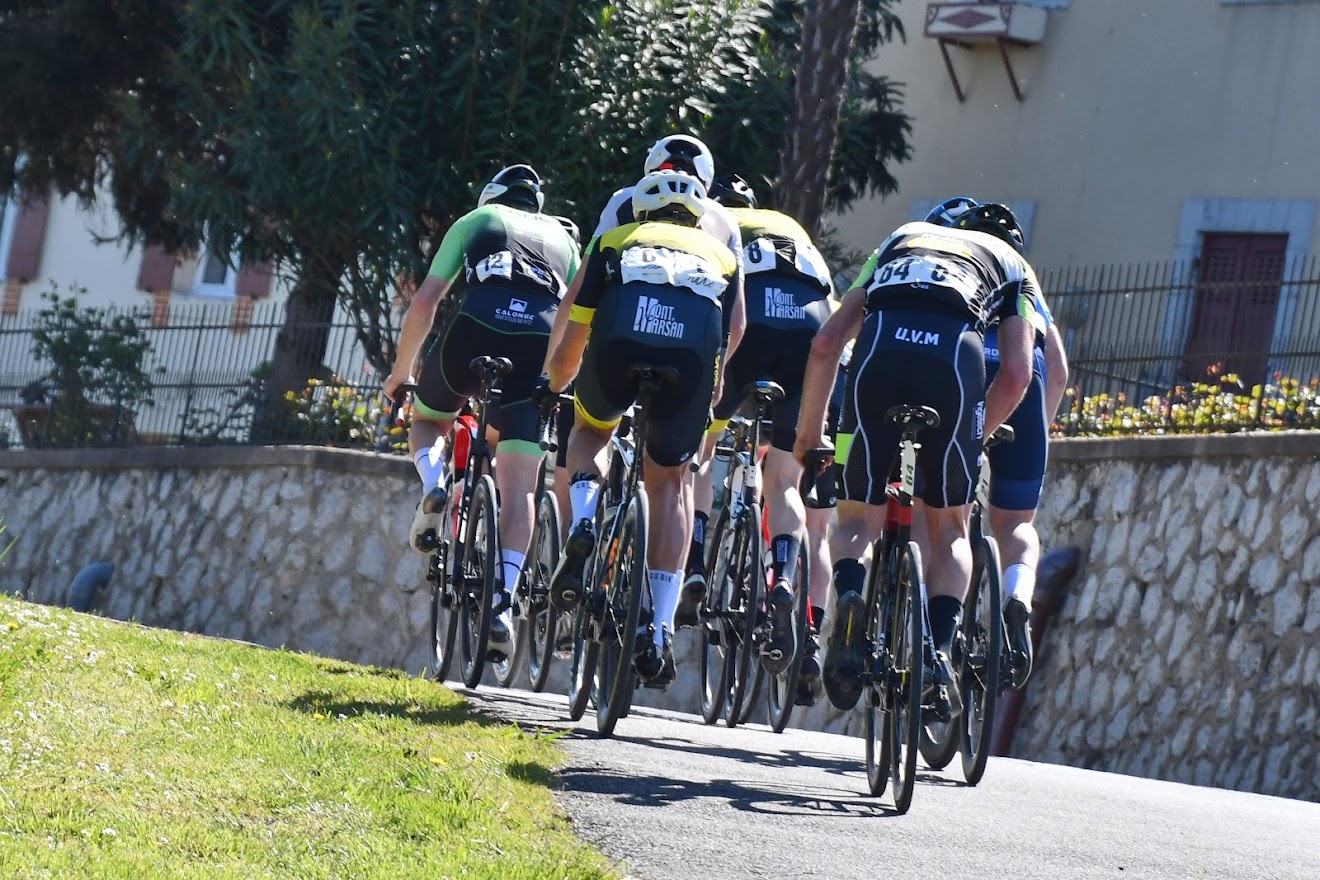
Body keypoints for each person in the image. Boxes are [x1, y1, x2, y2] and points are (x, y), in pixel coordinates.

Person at [793, 200, 1045, 716]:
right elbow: (1020, 373)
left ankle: (851, 595)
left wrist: (809, 435)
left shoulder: (901, 238)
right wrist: (972, 439)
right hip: (954, 362)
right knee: (950, 529)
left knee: (857, 518)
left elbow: (826, 343)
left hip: (878, 356)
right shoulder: (1014, 264)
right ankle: (941, 652)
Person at [543, 168, 742, 687]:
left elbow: (575, 332)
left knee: (591, 434)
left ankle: (584, 520)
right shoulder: (721, 255)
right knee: (670, 482)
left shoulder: (614, 241)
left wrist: (554, 384)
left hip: (620, 341)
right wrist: (711, 391)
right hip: (692, 354)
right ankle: (659, 629)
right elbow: (732, 330)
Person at [384, 164, 580, 655]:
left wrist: (400, 373)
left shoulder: (477, 220)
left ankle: (434, 483)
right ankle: (504, 603)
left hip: (477, 324)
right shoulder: (564, 238)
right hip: (539, 339)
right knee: (520, 486)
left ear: (492, 197)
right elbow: (579, 318)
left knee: (429, 420)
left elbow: (426, 301)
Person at [679, 174, 836, 703]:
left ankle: (695, 561)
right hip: (809, 329)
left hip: (751, 324)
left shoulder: (714, 223)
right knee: (784, 479)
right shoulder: (791, 228)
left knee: (701, 451)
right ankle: (783, 574)